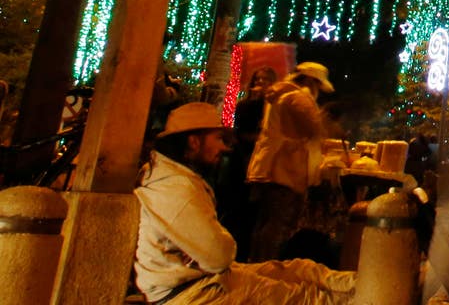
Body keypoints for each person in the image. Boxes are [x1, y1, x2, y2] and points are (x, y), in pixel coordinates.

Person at [135, 102, 354, 304]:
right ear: (194, 142)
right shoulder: (175, 189)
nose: (224, 148)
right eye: (218, 139)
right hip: (191, 292)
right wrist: (223, 239)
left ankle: (370, 287)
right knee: (307, 298)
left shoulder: (176, 177)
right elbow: (219, 256)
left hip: (205, 278)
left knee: (303, 270)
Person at [246, 62, 335, 262]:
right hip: (285, 169)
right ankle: (266, 269)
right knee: (279, 225)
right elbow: (315, 129)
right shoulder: (298, 97)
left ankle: (254, 265)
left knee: (264, 225)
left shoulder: (280, 95)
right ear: (311, 81)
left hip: (268, 165)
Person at [218, 68, 278, 261]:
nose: (261, 82)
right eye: (258, 79)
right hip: (242, 162)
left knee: (253, 214)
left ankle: (243, 255)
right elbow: (242, 131)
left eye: (266, 79)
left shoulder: (274, 107)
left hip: (260, 165)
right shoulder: (246, 105)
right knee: (236, 209)